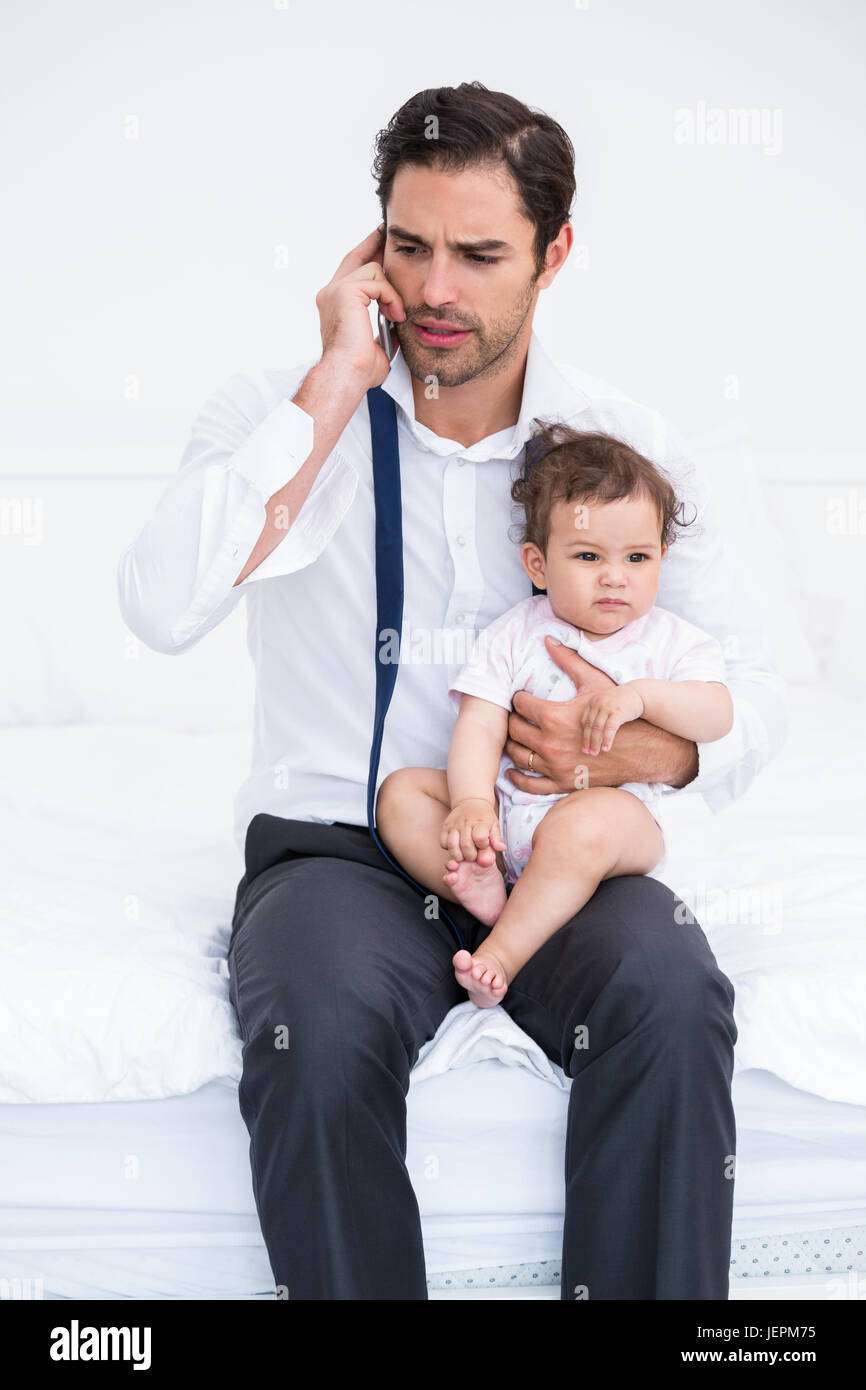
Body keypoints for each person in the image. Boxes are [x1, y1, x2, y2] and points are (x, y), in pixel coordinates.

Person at [117, 81, 787, 1300]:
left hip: (550, 853)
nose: (435, 290)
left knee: (672, 992)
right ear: (369, 244)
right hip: (338, 853)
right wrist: (329, 386)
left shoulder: (619, 449)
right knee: (310, 1034)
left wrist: (648, 754)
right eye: (409, 246)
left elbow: (762, 686)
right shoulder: (277, 417)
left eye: (479, 255)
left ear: (553, 254)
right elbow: (161, 609)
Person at [376, 425, 734, 1008]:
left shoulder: (670, 642)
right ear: (538, 565)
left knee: (584, 824)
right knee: (401, 794)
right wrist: (471, 803)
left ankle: (503, 951)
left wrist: (641, 697)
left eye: (637, 557)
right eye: (588, 556)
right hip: (508, 815)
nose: (615, 575)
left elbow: (717, 715)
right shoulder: (517, 630)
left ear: (661, 560)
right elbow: (480, 722)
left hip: (612, 825)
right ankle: (487, 888)